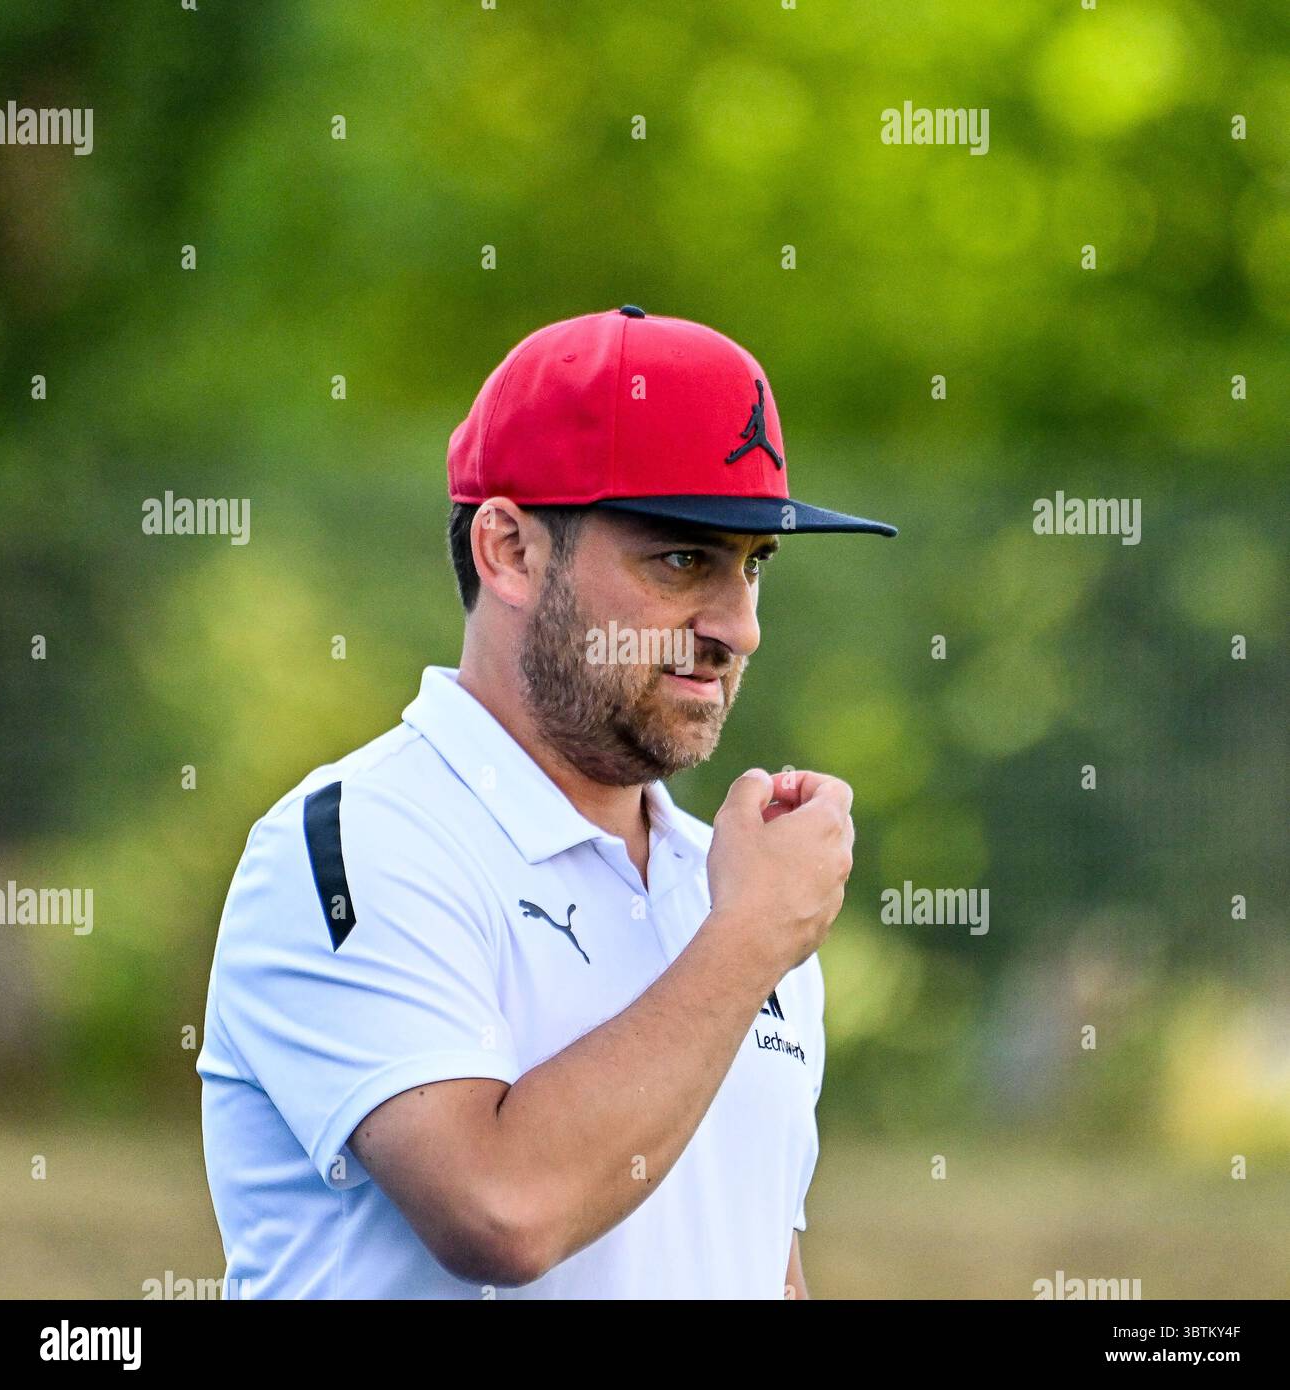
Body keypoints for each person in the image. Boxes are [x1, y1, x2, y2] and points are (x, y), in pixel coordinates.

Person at [197, 305, 897, 1298]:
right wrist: (747, 939)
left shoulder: (732, 882)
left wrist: (746, 928)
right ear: (510, 550)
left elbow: (746, 1264)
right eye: (683, 560)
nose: (738, 626)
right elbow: (498, 1211)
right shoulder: (355, 842)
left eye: (753, 567)